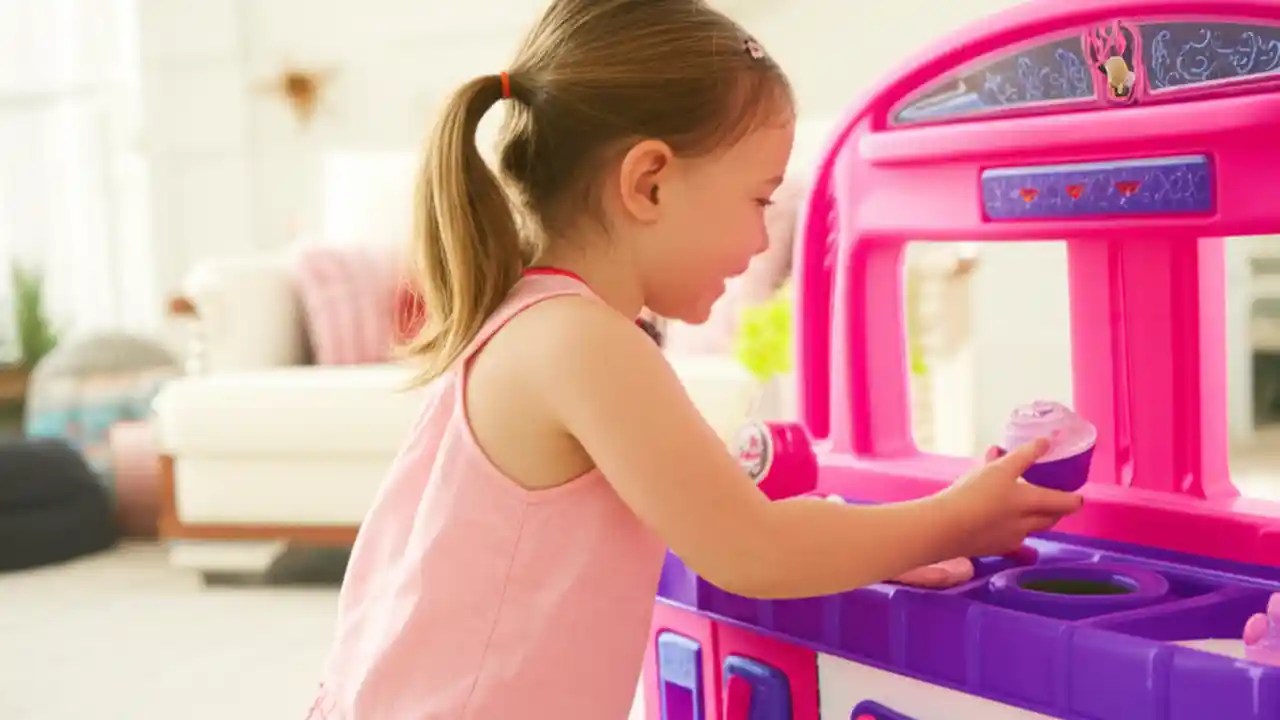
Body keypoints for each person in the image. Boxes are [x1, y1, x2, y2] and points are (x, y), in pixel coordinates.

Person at [308, 1, 1083, 717]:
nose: (758, 240)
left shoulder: (532, 323)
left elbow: (716, 516)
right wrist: (956, 519)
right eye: (758, 199)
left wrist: (880, 538)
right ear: (648, 183)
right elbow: (753, 550)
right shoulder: (586, 343)